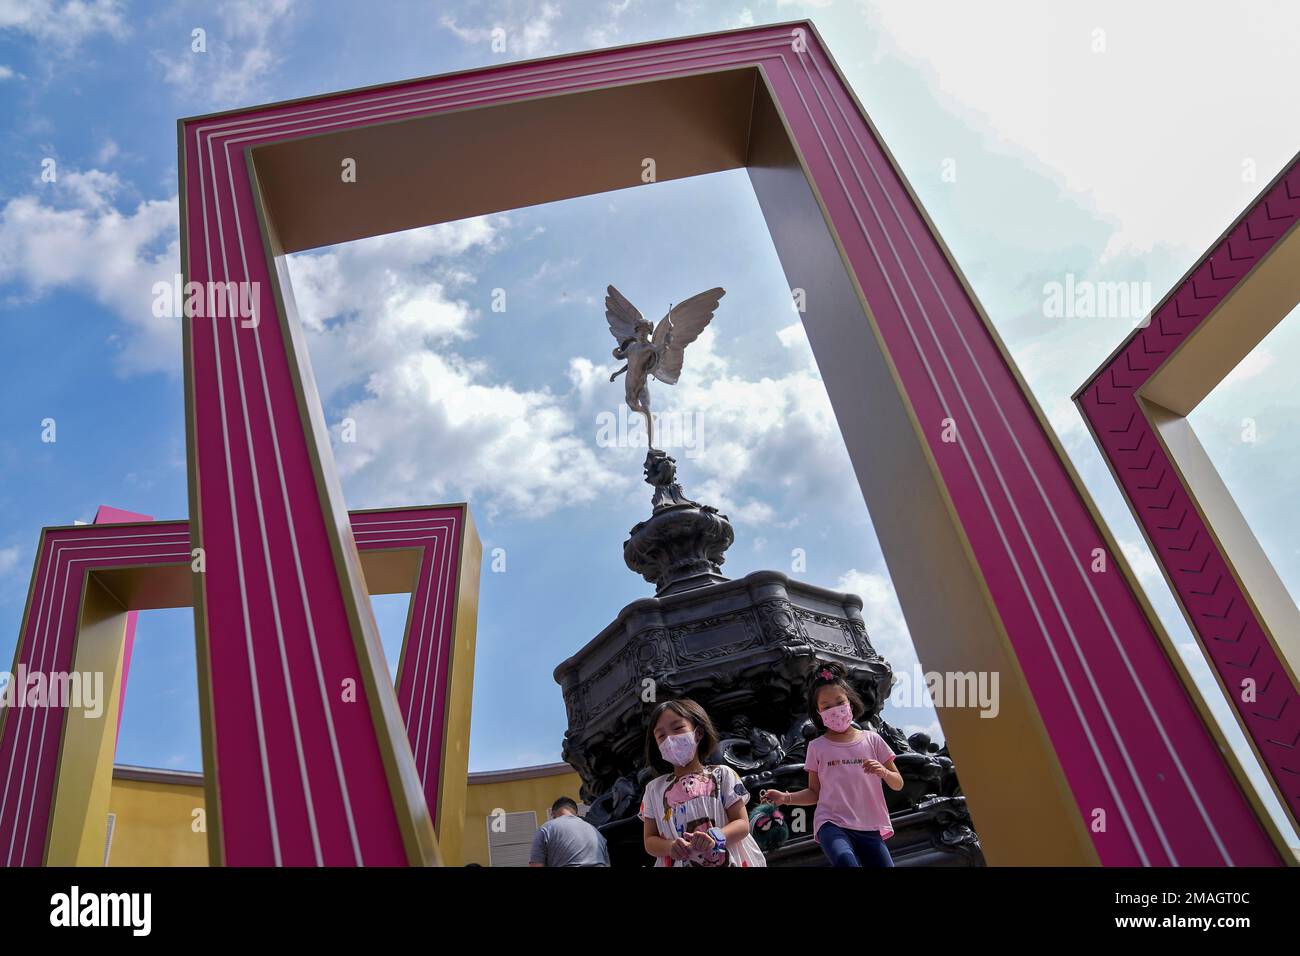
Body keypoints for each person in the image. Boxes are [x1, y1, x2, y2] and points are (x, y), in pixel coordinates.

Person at [761, 661, 903, 867]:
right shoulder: (817, 747)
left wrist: (884, 772)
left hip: (869, 827)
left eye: (839, 702)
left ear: (850, 702)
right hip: (832, 824)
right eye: (826, 707)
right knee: (845, 860)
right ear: (817, 713)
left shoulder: (873, 740)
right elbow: (814, 792)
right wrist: (785, 798)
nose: (834, 710)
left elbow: (898, 783)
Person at [639, 698, 767, 867]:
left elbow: (742, 823)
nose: (670, 739)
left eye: (677, 728)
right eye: (661, 735)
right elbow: (649, 840)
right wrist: (670, 847)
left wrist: (717, 836)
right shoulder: (653, 790)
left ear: (698, 733)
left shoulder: (723, 774)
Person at [528, 796, 610, 867]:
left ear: (553, 814)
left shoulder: (546, 829)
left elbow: (536, 865)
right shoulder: (595, 831)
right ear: (577, 814)